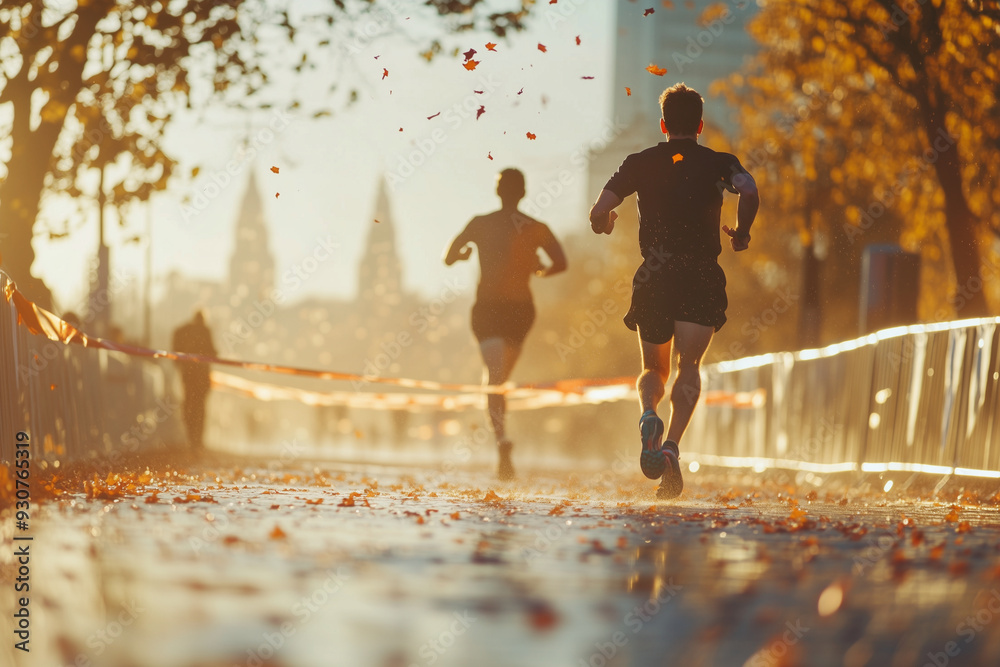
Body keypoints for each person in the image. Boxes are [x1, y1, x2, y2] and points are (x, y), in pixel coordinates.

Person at [589, 83, 760, 500]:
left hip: (655, 274)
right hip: (700, 273)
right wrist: (742, 232)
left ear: (664, 124)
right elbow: (749, 189)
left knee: (654, 369)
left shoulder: (639, 162)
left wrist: (606, 223)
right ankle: (671, 447)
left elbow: (599, 211)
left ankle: (649, 413)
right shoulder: (720, 162)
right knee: (690, 365)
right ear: (699, 125)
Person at [444, 168, 568, 480]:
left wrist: (464, 254)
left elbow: (449, 257)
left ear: (498, 192)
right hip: (520, 310)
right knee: (499, 378)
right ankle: (502, 438)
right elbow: (561, 264)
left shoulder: (480, 223)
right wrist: (539, 270)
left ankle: (501, 439)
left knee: (494, 378)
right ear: (523, 193)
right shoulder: (536, 227)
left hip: (488, 308)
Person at [172, 310, 217, 450]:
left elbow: (177, 351)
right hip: (199, 378)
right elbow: (213, 352)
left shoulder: (184, 331)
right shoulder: (203, 331)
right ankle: (196, 440)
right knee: (198, 408)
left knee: (190, 407)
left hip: (190, 377)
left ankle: (193, 439)